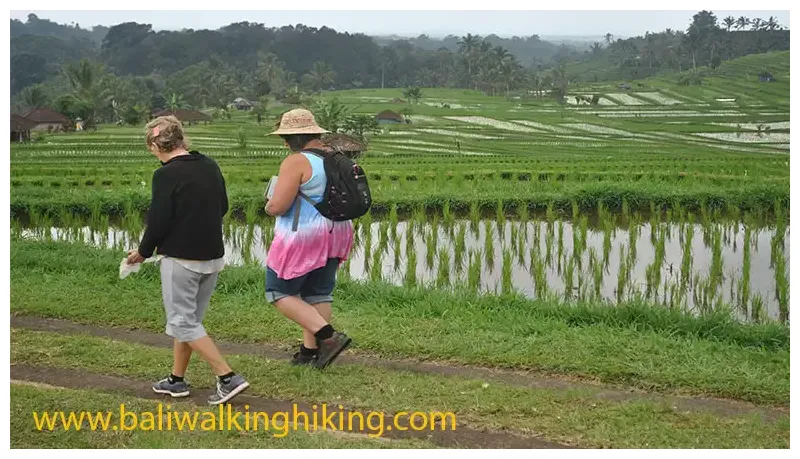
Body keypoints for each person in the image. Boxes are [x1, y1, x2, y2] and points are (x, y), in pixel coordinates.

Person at [127, 115, 248, 405]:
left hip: (181, 259)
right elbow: (223, 206)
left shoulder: (165, 174)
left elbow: (158, 221)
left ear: (156, 144)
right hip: (212, 257)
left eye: (151, 147)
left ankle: (227, 376)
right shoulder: (208, 164)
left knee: (182, 322)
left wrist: (142, 253)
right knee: (189, 322)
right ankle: (176, 380)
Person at [264, 108, 354, 369]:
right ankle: (310, 351)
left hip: (304, 235)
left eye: (285, 138)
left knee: (278, 291)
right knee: (317, 292)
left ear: (293, 138)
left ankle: (329, 338)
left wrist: (269, 205)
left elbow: (278, 206)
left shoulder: (296, 161)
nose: (284, 143)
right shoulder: (335, 158)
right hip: (337, 231)